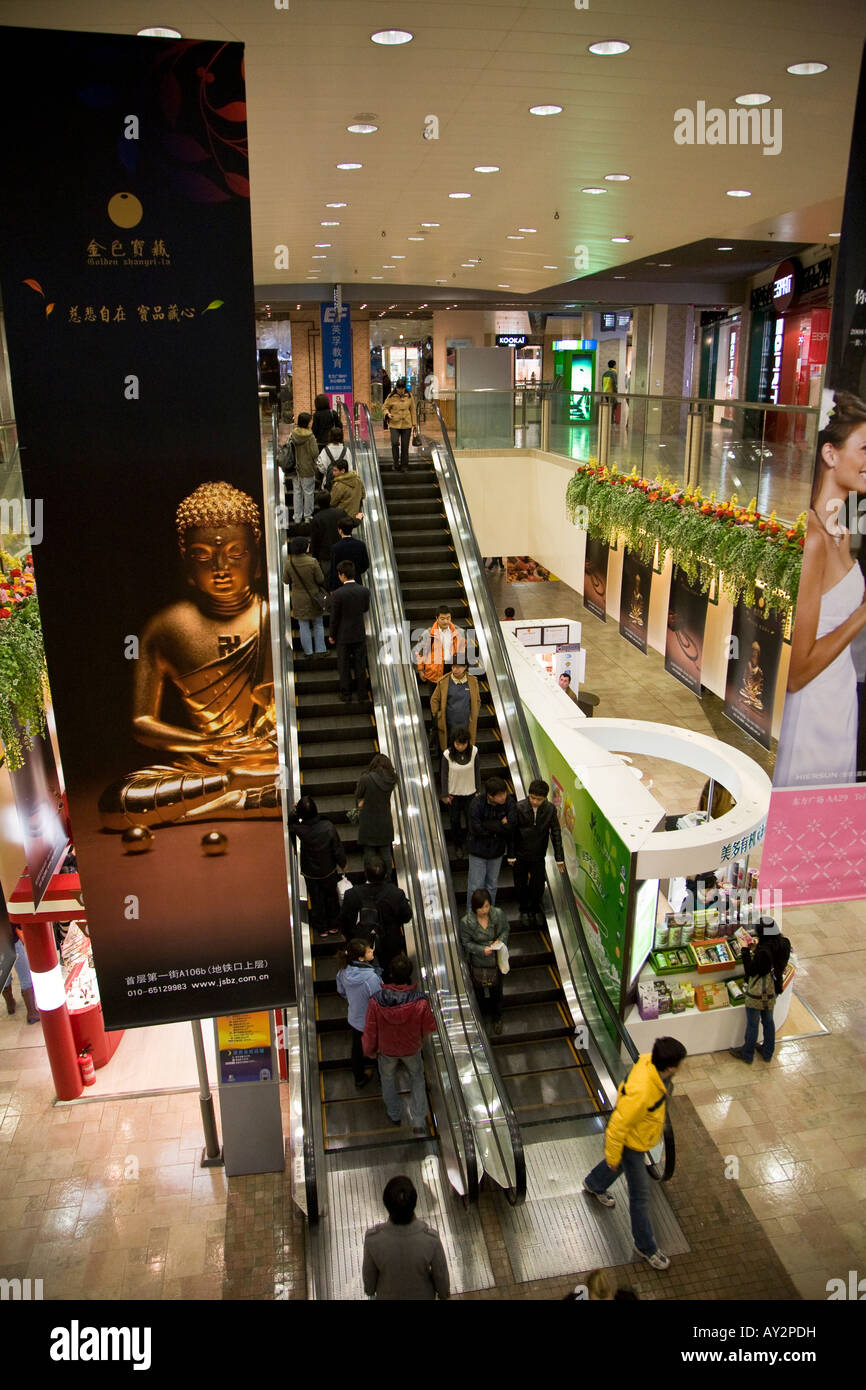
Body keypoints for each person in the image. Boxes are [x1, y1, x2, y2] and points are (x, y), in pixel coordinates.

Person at [98, 481, 281, 828]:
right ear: (186, 563)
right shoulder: (166, 628)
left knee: (292, 772)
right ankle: (235, 793)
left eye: (235, 552)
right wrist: (204, 743)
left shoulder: (275, 617)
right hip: (204, 763)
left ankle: (228, 797)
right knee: (120, 800)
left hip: (267, 758)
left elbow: (289, 709)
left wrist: (268, 746)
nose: (221, 567)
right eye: (203, 556)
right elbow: (141, 722)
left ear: (256, 557)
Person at [774, 391, 866, 787]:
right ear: (830, 455)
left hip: (840, 699)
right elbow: (797, 674)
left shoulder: (842, 530)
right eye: (865, 449)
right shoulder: (811, 540)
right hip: (811, 708)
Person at [582, 1036, 687, 1271]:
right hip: (633, 1145)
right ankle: (646, 1247)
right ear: (670, 1066)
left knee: (616, 1165)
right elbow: (618, 1125)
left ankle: (594, 1184)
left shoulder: (654, 1068)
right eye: (681, 1062)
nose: (683, 1066)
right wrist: (612, 1155)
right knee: (640, 1197)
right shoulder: (642, 1090)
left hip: (639, 1138)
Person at [362, 954, 436, 1135]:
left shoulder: (376, 1000)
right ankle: (419, 1121)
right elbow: (430, 1026)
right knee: (417, 1079)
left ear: (391, 975)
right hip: (411, 1048)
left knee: (387, 1080)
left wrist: (369, 1050)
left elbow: (370, 1029)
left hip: (386, 1050)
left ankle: (394, 1114)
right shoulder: (420, 1001)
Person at [362, 1175, 450, 1300]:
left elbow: (369, 1285)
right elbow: (442, 1282)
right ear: (415, 1202)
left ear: (386, 1203)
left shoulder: (373, 1240)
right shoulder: (431, 1239)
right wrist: (443, 1293)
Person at [508, 778, 566, 927]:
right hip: (520, 855)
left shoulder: (550, 810)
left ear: (545, 798)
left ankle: (534, 910)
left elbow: (556, 833)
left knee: (538, 886)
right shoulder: (519, 807)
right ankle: (524, 910)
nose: (535, 802)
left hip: (539, 855)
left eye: (539, 799)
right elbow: (512, 832)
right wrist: (511, 854)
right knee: (520, 884)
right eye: (532, 798)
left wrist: (559, 859)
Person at [286, 795, 347, 937]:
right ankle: (334, 924)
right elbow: (337, 847)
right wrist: (343, 863)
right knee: (331, 897)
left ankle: (322, 928)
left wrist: (294, 812)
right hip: (329, 869)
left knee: (316, 899)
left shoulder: (300, 829)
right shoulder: (327, 826)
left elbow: (290, 825)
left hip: (310, 871)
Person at [339, 856, 412, 972]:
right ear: (386, 874)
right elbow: (407, 916)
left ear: (365, 874)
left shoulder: (351, 894)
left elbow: (345, 918)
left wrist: (345, 934)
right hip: (390, 941)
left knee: (361, 971)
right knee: (389, 969)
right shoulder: (396, 894)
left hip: (361, 943)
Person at [459, 888, 510, 1036]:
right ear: (475, 908)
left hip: (496, 962)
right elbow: (466, 943)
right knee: (479, 994)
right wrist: (482, 950)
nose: (484, 910)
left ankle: (497, 1018)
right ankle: (480, 1019)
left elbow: (505, 930)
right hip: (478, 964)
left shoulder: (497, 914)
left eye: (487, 906)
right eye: (481, 907)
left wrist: (499, 941)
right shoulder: (466, 922)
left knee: (497, 993)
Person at [335, 938, 382, 1088]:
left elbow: (341, 991)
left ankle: (359, 1078)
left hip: (355, 1019)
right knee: (378, 1050)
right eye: (369, 951)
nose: (372, 951)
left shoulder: (343, 972)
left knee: (357, 1048)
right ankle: (383, 1077)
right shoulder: (371, 978)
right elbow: (379, 1000)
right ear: (361, 958)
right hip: (372, 1022)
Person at [466, 776, 517, 911]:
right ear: (490, 796)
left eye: (504, 793)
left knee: (492, 886)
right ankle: (472, 915)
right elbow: (476, 829)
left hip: (497, 851)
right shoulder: (477, 804)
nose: (503, 797)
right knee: (475, 887)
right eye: (499, 795)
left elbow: (511, 825)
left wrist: (489, 826)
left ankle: (489, 912)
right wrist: (500, 825)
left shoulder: (509, 802)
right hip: (478, 851)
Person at [328, 560, 370, 702]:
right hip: (359, 633)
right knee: (360, 664)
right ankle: (362, 694)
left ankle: (346, 694)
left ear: (342, 575)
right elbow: (365, 609)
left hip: (343, 635)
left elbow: (334, 618)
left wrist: (332, 635)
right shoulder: (364, 591)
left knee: (344, 665)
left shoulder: (337, 594)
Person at [729, 945, 777, 1064]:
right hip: (769, 995)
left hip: (755, 997)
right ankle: (768, 1053)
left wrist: (745, 952)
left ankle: (747, 1053)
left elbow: (750, 970)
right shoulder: (771, 955)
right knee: (769, 1022)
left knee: (752, 1025)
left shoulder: (760, 959)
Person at [282, 535, 327, 658]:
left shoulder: (289, 563)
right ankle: (321, 650)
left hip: (298, 598)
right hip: (314, 597)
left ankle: (308, 652)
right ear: (304, 547)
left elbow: (285, 581)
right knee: (318, 623)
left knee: (303, 625)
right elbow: (320, 579)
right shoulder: (312, 561)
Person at [440, 726, 481, 859]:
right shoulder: (447, 754)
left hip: (470, 793)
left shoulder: (474, 752)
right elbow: (444, 775)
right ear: (453, 742)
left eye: (463, 744)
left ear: (468, 742)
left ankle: (471, 845)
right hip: (454, 794)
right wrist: (445, 794)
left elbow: (477, 771)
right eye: (458, 744)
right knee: (454, 821)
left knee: (471, 821)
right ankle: (458, 846)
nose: (461, 747)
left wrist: (478, 790)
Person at [353, 753, 397, 866]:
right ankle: (387, 879)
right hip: (385, 820)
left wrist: (362, 802)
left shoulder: (365, 779)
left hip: (368, 821)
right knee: (386, 852)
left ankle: (371, 878)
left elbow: (358, 795)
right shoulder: (391, 781)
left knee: (369, 853)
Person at [429, 662, 480, 752]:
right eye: (453, 667)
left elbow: (477, 700)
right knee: (449, 749)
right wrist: (437, 715)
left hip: (466, 724)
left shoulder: (472, 681)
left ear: (465, 667)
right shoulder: (444, 681)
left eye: (458, 667)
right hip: (449, 724)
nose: (455, 670)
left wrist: (474, 713)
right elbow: (434, 700)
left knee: (465, 748)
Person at [416, 606, 465, 686]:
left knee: (452, 697)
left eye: (448, 618)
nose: (446, 621)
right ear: (437, 618)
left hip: (453, 668)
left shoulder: (459, 632)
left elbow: (463, 652)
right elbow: (420, 653)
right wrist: (421, 670)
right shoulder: (427, 634)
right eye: (442, 619)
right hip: (434, 671)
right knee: (435, 698)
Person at [309, 489, 354, 574]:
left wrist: (315, 557)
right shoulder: (340, 512)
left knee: (328, 579)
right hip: (343, 550)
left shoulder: (317, 518)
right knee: (345, 575)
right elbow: (349, 527)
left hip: (326, 555)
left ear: (318, 503)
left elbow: (315, 540)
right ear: (330, 499)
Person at [289, 411, 319, 523]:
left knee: (297, 492)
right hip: (307, 469)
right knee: (308, 492)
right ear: (307, 422)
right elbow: (315, 453)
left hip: (295, 468)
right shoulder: (310, 436)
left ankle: (297, 517)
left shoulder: (292, 434)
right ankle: (307, 516)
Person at [382, 378, 418, 472]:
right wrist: (387, 414)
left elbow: (413, 410)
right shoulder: (391, 396)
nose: (400, 390)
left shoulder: (409, 396)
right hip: (394, 423)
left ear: (404, 388)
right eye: (399, 388)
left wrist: (414, 424)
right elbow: (384, 407)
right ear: (396, 388)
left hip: (406, 424)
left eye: (402, 388)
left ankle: (404, 465)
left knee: (405, 446)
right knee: (394, 443)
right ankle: (395, 463)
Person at [328, 517, 369, 591]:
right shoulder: (361, 545)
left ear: (340, 531)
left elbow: (333, 569)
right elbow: (365, 565)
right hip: (357, 581)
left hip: (340, 585)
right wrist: (356, 572)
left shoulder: (335, 547)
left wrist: (332, 588)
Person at [329, 454, 365, 519]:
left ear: (342, 470)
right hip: (354, 516)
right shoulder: (358, 480)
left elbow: (331, 502)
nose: (333, 473)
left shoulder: (338, 485)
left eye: (335, 470)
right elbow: (363, 495)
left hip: (341, 517)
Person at [316, 424, 349, 492]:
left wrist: (328, 472)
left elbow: (321, 467)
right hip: (344, 484)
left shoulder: (325, 451)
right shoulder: (346, 450)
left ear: (330, 437)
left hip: (328, 483)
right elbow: (350, 466)